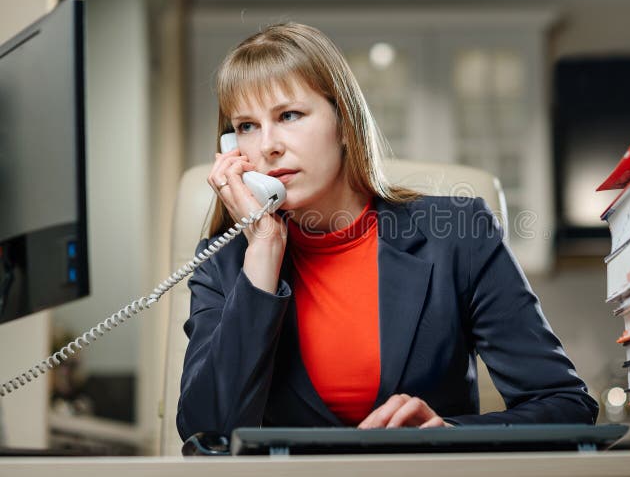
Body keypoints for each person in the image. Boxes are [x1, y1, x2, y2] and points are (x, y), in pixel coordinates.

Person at [176, 23, 597, 441]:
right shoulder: (226, 262)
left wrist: (446, 432)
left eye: (289, 115)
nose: (267, 146)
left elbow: (565, 405)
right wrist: (264, 248)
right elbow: (206, 435)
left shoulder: (459, 235)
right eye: (246, 126)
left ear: (344, 122)